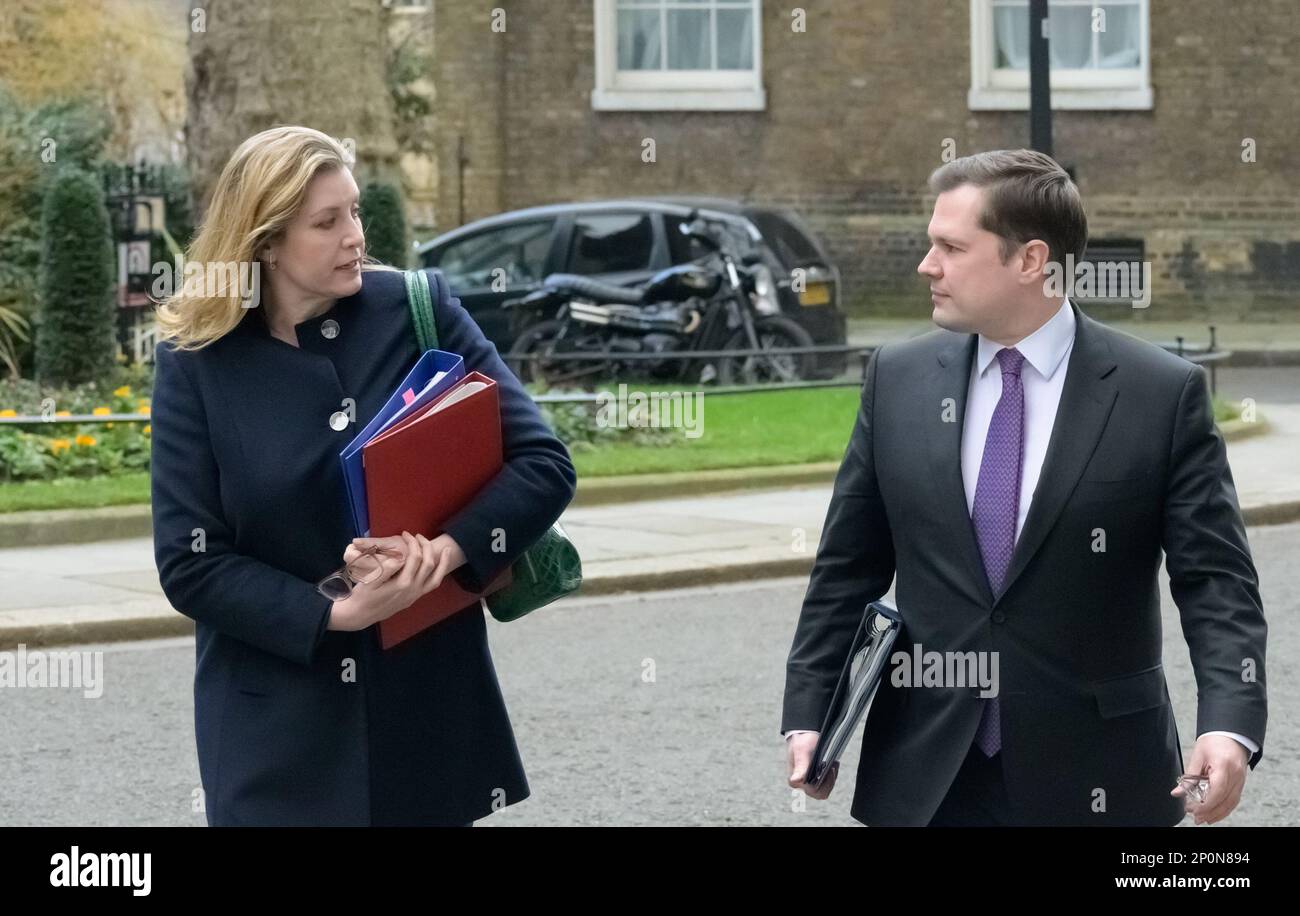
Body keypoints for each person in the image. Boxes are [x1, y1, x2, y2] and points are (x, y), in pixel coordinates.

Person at [781, 149, 1267, 826]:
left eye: (951, 247)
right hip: (925, 779)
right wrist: (810, 714)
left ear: (1031, 261)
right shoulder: (897, 379)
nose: (928, 265)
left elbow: (1216, 581)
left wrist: (1230, 724)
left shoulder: (1160, 394)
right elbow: (845, 569)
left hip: (1102, 777)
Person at [150, 125, 576, 826]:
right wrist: (333, 611)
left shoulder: (420, 310)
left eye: (353, 211)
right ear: (264, 242)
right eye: (327, 221)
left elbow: (543, 463)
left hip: (425, 711)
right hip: (275, 740)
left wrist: (447, 552)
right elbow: (190, 564)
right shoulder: (196, 359)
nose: (355, 235)